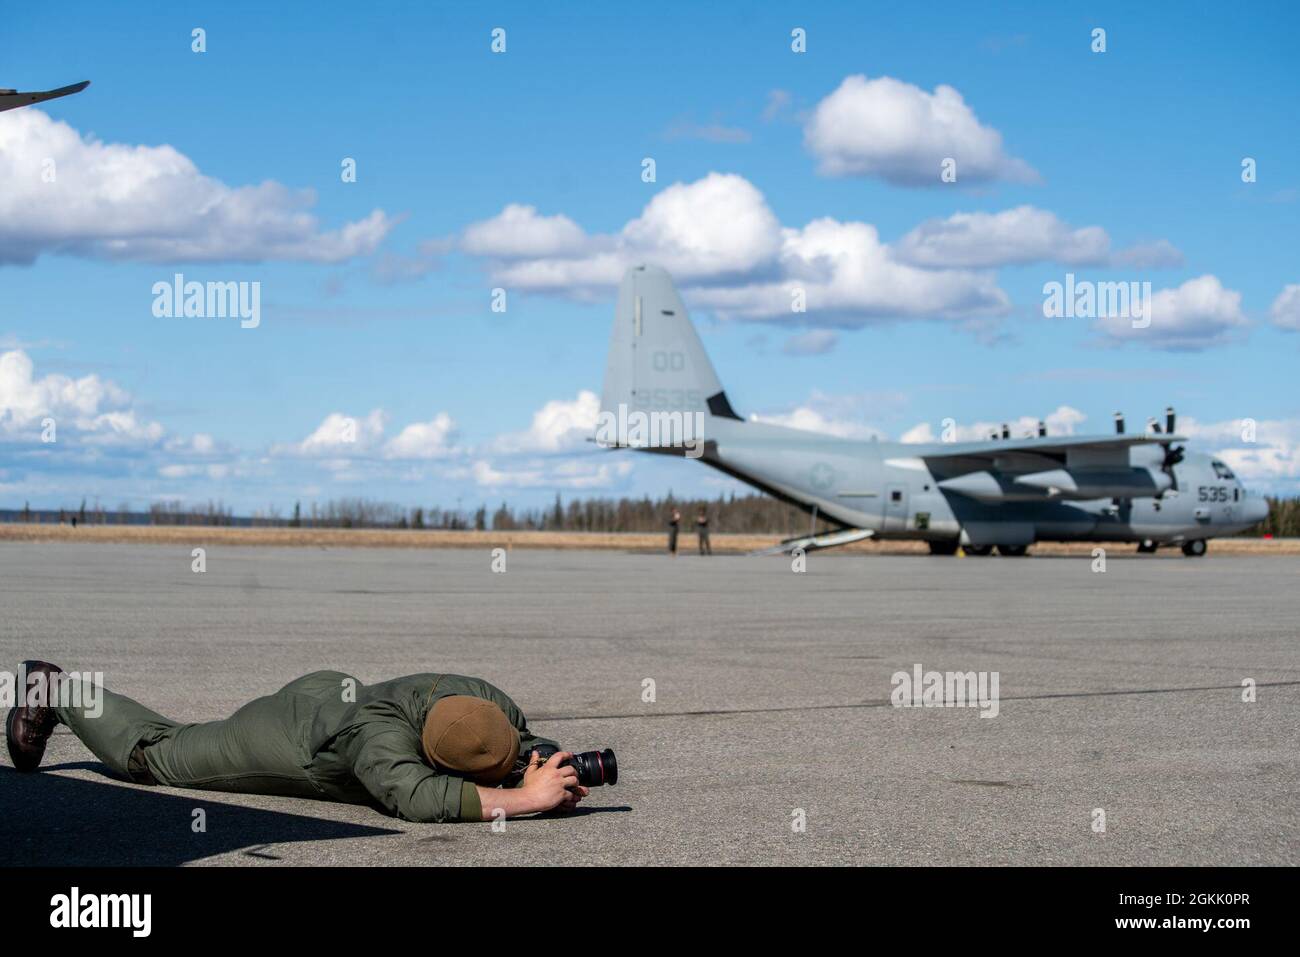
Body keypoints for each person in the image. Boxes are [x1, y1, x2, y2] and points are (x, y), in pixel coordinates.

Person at [5, 661, 588, 823]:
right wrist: (525, 799)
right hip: (286, 738)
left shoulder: (478, 699)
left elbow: (518, 738)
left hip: (330, 691)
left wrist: (546, 763)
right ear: (436, 761)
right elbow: (416, 799)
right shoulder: (380, 744)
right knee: (155, 756)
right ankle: (56, 688)